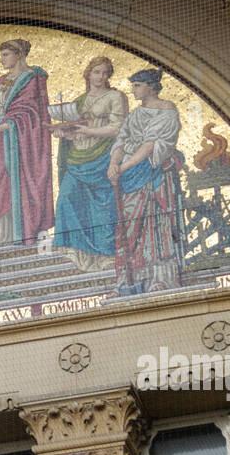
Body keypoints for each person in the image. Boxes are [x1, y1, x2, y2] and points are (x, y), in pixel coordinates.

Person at [106, 68, 185, 292]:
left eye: (137, 85)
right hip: (130, 177)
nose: (133, 90)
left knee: (154, 225)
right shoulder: (135, 115)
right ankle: (130, 278)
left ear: (151, 87)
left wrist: (123, 167)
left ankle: (159, 278)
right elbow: (121, 141)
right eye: (132, 86)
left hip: (153, 175)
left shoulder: (166, 111)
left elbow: (150, 145)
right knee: (129, 226)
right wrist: (113, 164)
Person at [51, 56, 129, 271]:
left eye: (105, 72)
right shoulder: (80, 101)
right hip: (78, 158)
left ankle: (106, 256)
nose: (100, 77)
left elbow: (118, 128)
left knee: (101, 208)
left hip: (104, 156)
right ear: (88, 74)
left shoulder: (115, 97)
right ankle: (79, 256)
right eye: (96, 72)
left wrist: (88, 131)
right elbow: (74, 130)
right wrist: (63, 133)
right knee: (66, 199)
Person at [0, 38, 53, 246]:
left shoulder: (32, 79)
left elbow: (30, 112)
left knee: (17, 185)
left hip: (21, 144)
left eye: (6, 54)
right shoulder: (1, 81)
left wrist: (5, 126)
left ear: (19, 54)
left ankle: (20, 235)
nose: (2, 59)